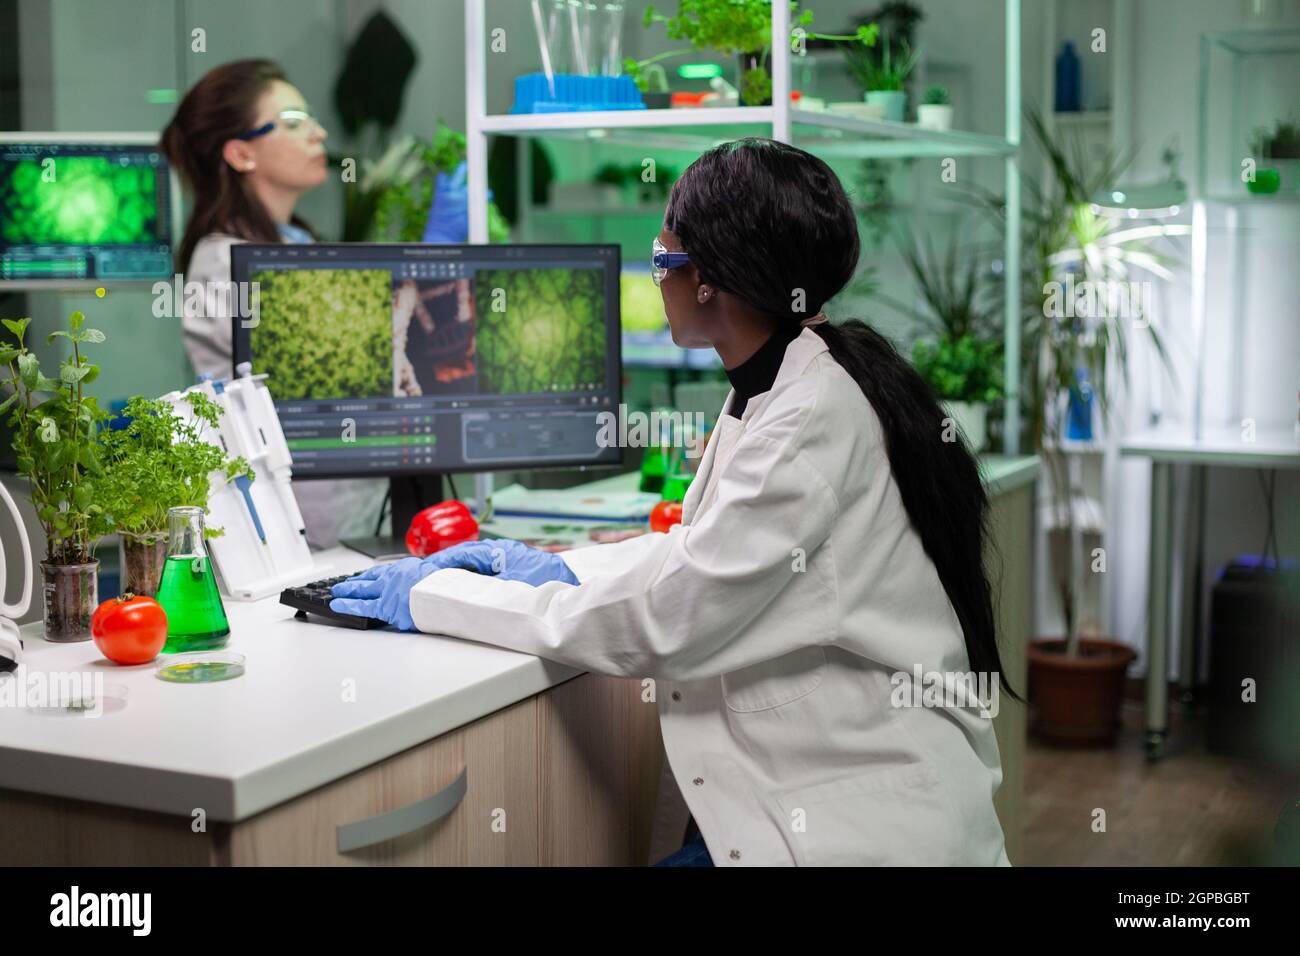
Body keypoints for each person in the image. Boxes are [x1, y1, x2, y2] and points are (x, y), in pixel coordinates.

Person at [330, 138, 1019, 867]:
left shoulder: (809, 414)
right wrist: (558, 570)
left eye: (662, 261)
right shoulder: (786, 377)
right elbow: (707, 552)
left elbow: (666, 623)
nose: (656, 277)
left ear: (708, 282)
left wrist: (439, 596)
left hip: (855, 819)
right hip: (821, 788)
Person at [161, 59, 382, 548]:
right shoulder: (223, 260)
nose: (319, 134)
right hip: (295, 515)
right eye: (295, 123)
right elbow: (334, 361)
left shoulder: (295, 240)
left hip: (350, 506)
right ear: (241, 153)